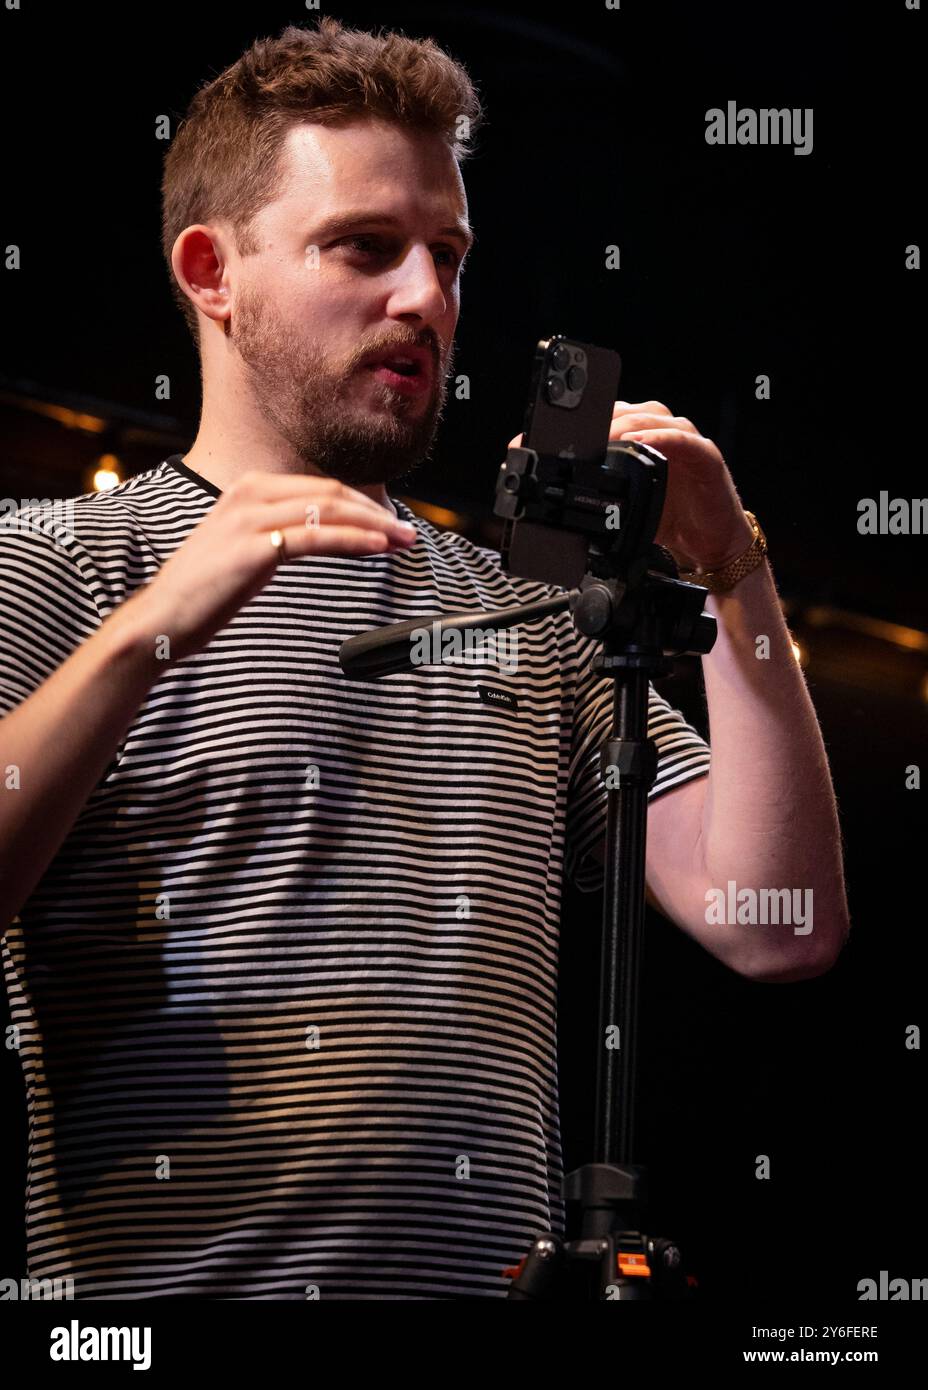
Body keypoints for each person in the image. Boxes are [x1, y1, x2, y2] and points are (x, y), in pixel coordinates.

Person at [0, 17, 849, 1300]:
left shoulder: (526, 605)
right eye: (365, 247)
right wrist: (151, 627)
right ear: (209, 269)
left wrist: (736, 573)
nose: (426, 299)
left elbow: (773, 925)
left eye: (447, 255)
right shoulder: (63, 563)